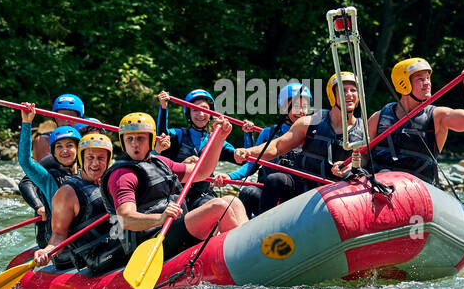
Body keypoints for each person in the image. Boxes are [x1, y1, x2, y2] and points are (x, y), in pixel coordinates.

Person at [102, 112, 248, 262]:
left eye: (140, 138)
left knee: (232, 200)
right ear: (123, 141)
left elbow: (202, 171)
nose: (134, 143)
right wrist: (160, 218)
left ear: (151, 140)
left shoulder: (161, 162)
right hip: (152, 238)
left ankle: (251, 247)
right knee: (218, 207)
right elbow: (126, 219)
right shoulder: (121, 175)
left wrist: (219, 138)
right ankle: (245, 257)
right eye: (129, 139)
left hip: (175, 226)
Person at [232, 73, 364, 214]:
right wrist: (249, 152)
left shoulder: (364, 130)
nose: (349, 94)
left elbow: (366, 161)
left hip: (334, 192)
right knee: (274, 180)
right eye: (343, 91)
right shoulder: (309, 122)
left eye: (353, 90)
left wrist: (348, 167)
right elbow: (277, 146)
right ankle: (265, 230)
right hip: (301, 188)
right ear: (333, 95)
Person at [366, 57, 464, 186]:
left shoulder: (438, 116)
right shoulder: (378, 117)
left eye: (428, 78)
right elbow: (363, 155)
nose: (427, 83)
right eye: (420, 79)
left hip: (418, 189)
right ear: (403, 84)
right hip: (380, 184)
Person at [32, 131, 124, 275]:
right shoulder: (67, 193)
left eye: (101, 158)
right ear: (81, 159)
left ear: (108, 160)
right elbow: (58, 235)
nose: (95, 163)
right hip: (96, 255)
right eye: (90, 158)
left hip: (116, 241)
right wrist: (47, 252)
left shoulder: (112, 181)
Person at [220, 83, 312, 218]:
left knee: (277, 179)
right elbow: (251, 166)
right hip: (268, 195)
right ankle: (247, 229)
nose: (302, 111)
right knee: (248, 192)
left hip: (296, 194)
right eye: (296, 106)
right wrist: (229, 176)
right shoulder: (268, 133)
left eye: (304, 107)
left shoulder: (311, 135)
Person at [156, 88, 240, 209]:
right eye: (195, 110)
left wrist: (229, 176)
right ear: (188, 113)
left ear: (211, 113)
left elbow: (243, 160)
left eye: (204, 110)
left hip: (204, 195)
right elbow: (162, 136)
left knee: (214, 205)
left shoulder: (218, 140)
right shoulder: (178, 134)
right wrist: (164, 108)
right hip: (177, 194)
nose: (200, 114)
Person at [17, 118, 81, 247]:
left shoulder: (88, 174)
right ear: (54, 153)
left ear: (78, 149)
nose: (64, 150)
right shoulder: (48, 180)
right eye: (59, 147)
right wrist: (26, 123)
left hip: (86, 235)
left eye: (69, 145)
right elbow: (25, 161)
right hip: (64, 242)